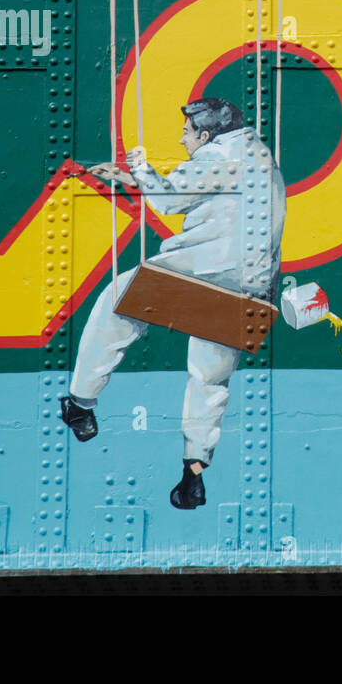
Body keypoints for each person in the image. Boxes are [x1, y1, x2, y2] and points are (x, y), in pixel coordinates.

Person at [59, 97, 286, 509]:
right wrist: (130, 178)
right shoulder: (259, 156)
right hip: (249, 290)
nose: (182, 142)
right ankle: (193, 474)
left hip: (197, 275)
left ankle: (80, 403)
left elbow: (168, 201)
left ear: (205, 133)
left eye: (186, 134)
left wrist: (141, 166)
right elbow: (213, 194)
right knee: (210, 380)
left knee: (115, 306)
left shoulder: (218, 153)